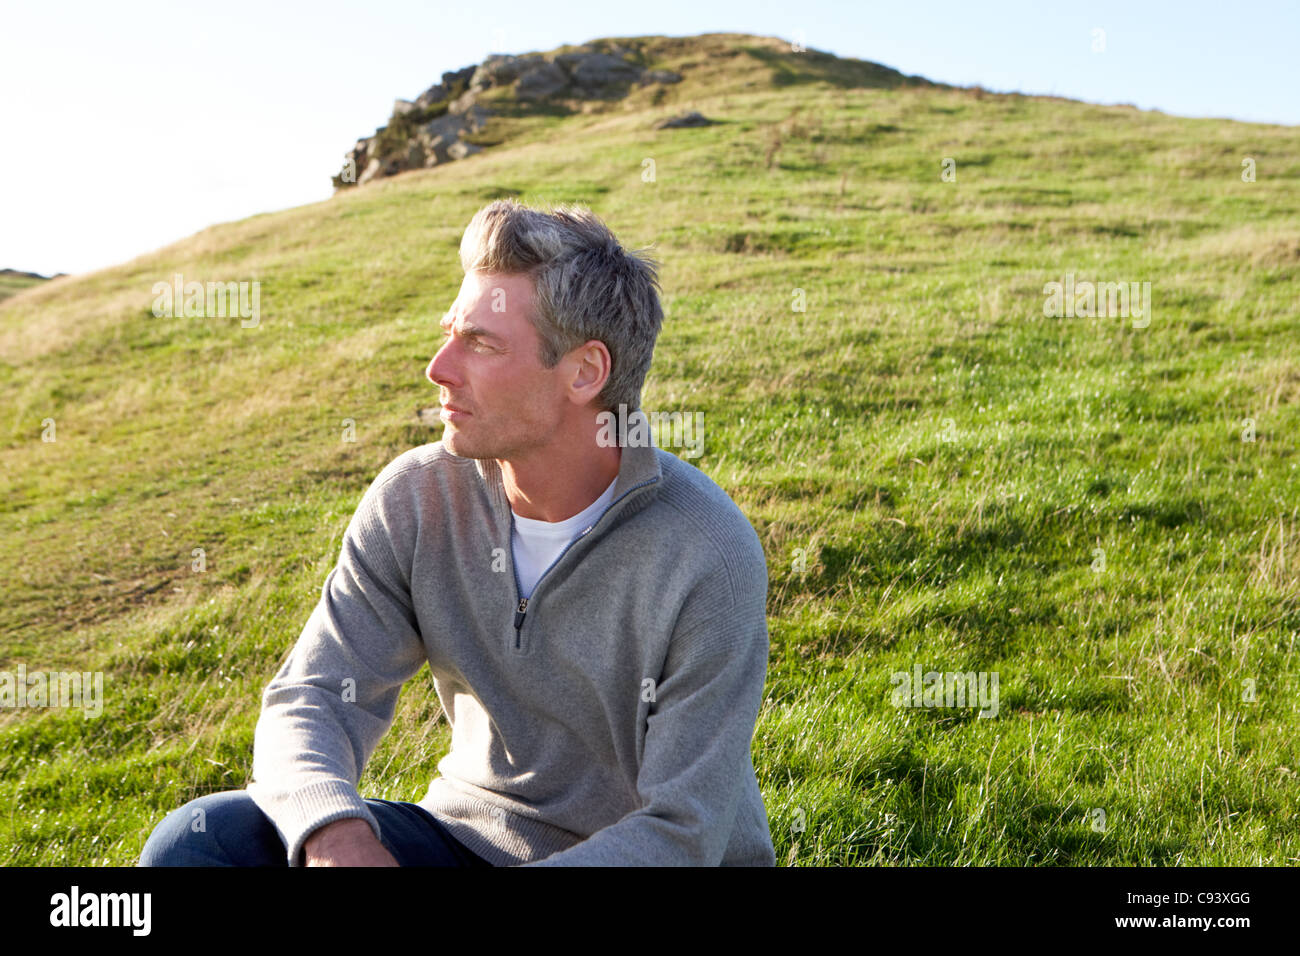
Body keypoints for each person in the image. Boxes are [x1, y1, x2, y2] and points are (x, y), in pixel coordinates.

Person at [139, 199, 775, 867]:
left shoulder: (707, 551)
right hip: (468, 840)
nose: (438, 368)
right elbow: (315, 695)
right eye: (450, 333)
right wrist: (334, 835)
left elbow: (681, 829)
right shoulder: (417, 499)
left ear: (585, 372)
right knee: (198, 844)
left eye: (480, 343)